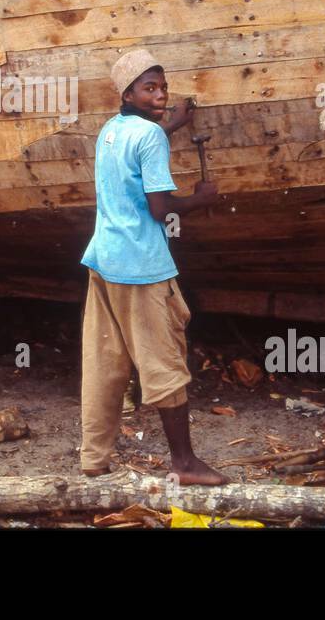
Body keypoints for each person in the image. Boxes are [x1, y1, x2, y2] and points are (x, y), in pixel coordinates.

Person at [79, 48, 228, 485]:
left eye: (162, 87)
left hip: (103, 260)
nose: (160, 94)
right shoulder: (151, 138)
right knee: (164, 362)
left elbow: (141, 142)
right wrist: (201, 199)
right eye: (149, 88)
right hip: (141, 267)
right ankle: (183, 464)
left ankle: (94, 459)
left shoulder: (111, 129)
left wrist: (172, 124)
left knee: (105, 362)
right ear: (128, 92)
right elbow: (161, 209)